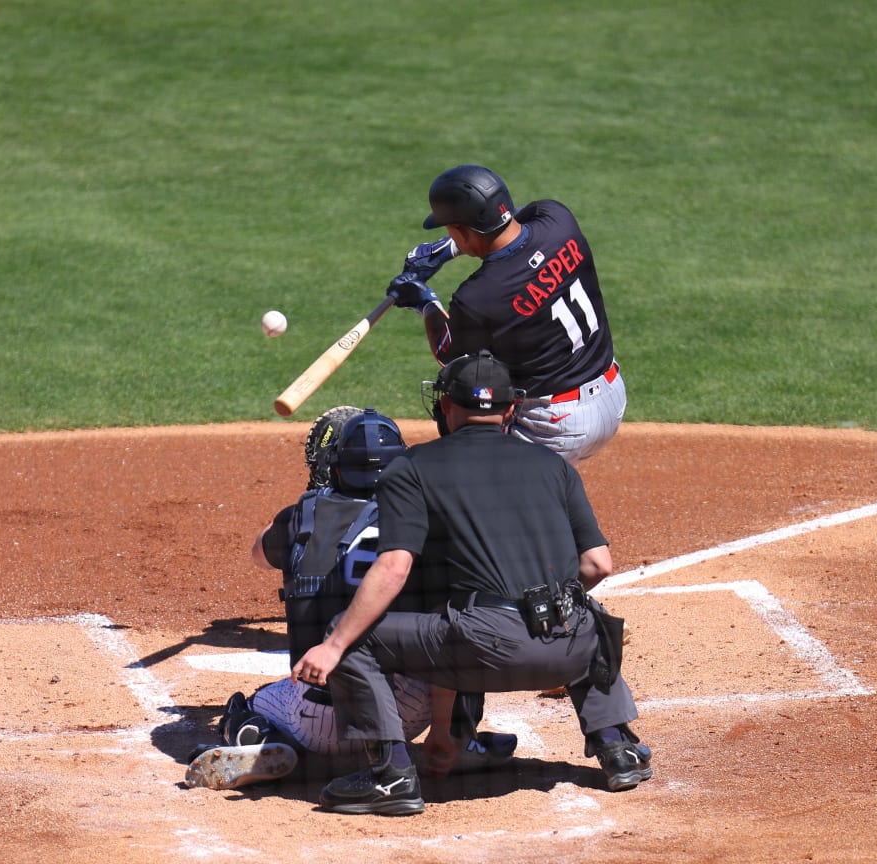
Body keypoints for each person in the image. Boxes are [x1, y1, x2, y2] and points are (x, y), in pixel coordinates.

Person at [293, 352, 652, 816]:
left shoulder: (414, 467)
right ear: (510, 410)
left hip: (481, 651)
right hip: (569, 650)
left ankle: (391, 777)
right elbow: (598, 565)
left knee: (351, 633)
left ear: (445, 407)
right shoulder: (554, 465)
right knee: (590, 616)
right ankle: (616, 748)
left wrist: (334, 645)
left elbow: (395, 568)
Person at [184, 407, 515, 791]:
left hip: (316, 712)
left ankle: (257, 735)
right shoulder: (429, 521)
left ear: (336, 468)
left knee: (251, 703)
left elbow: (259, 552)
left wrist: (311, 504)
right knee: (462, 623)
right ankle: (460, 740)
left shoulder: (302, 518)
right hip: (410, 712)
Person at [387, 164, 625, 464]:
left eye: (450, 230)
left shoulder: (479, 297)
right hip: (613, 395)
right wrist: (450, 248)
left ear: (462, 229)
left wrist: (424, 302)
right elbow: (520, 215)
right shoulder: (559, 219)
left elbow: (448, 355)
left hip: (555, 428)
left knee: (466, 431)